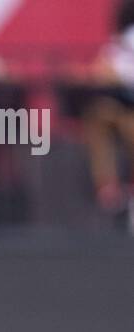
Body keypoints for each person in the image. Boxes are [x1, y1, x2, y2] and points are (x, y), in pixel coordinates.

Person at [82, 0, 134, 213]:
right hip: (122, 104)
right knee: (99, 114)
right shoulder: (121, 42)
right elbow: (103, 70)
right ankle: (108, 187)